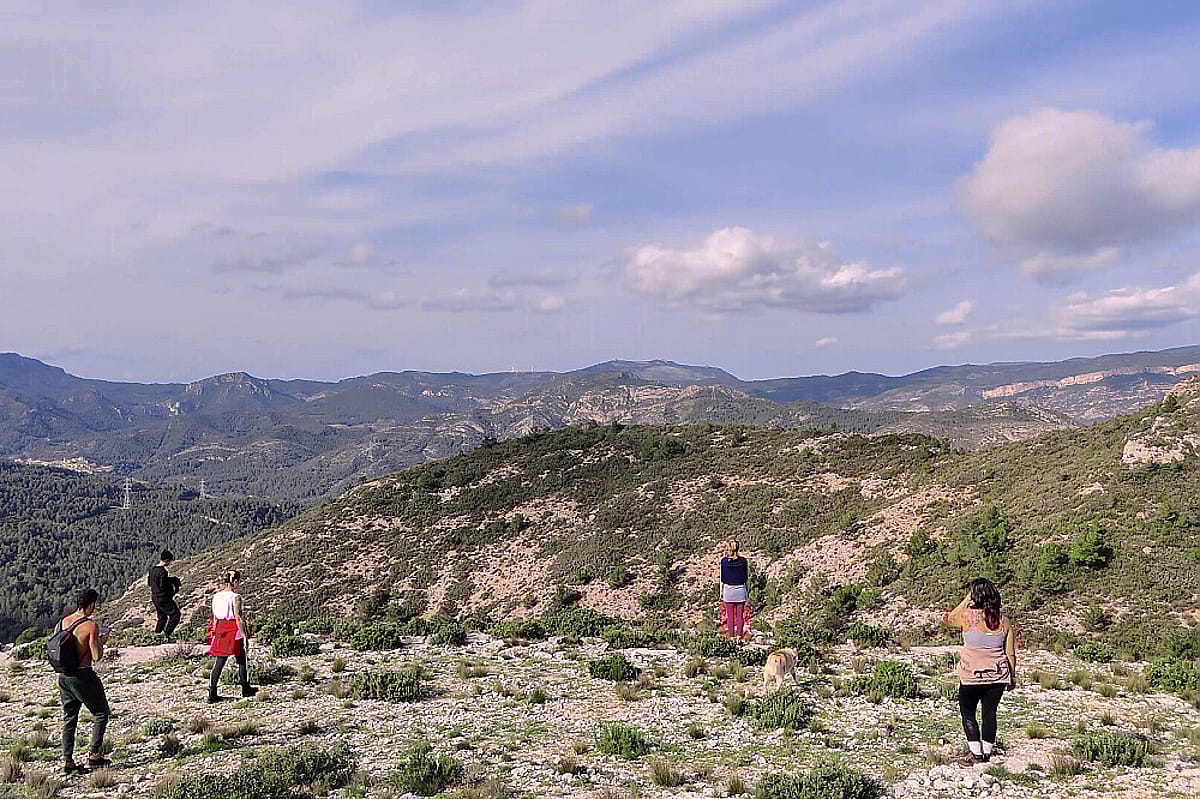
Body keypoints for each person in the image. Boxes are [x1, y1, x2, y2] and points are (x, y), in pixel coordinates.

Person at [944, 578, 1017, 764]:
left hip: (971, 675)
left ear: (975, 596)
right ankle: (987, 753)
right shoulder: (1004, 622)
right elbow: (1010, 653)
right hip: (998, 675)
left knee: (968, 711)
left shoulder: (968, 617)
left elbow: (948, 619)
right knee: (989, 713)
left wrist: (966, 598)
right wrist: (1012, 676)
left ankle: (976, 754)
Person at [58, 588, 112, 775]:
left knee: (70, 718)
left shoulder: (64, 621)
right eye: (94, 606)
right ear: (90, 605)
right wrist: (102, 640)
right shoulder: (91, 626)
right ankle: (94, 756)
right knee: (101, 713)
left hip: (64, 677)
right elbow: (96, 656)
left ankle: (68, 761)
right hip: (83, 676)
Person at [207, 569, 257, 703]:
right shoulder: (235, 597)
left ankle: (212, 693)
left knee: (220, 661)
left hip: (221, 629)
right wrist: (245, 635)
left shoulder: (216, 596)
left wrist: (214, 632)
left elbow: (215, 616)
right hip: (233, 629)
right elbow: (238, 617)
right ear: (234, 582)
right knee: (241, 658)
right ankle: (245, 688)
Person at [718, 539, 752, 642]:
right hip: (740, 590)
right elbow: (745, 578)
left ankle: (732, 637)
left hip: (729, 591)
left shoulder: (724, 561)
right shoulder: (743, 561)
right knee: (740, 615)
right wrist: (747, 591)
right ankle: (739, 637)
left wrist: (721, 592)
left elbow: (722, 579)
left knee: (730, 616)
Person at [148, 549, 182, 639]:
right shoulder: (163, 571)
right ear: (167, 560)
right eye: (170, 561)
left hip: (155, 597)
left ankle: (157, 635)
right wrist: (173, 588)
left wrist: (169, 580)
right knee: (175, 615)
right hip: (163, 597)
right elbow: (163, 586)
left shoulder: (152, 570)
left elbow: (149, 583)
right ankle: (167, 635)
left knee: (162, 617)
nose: (170, 563)